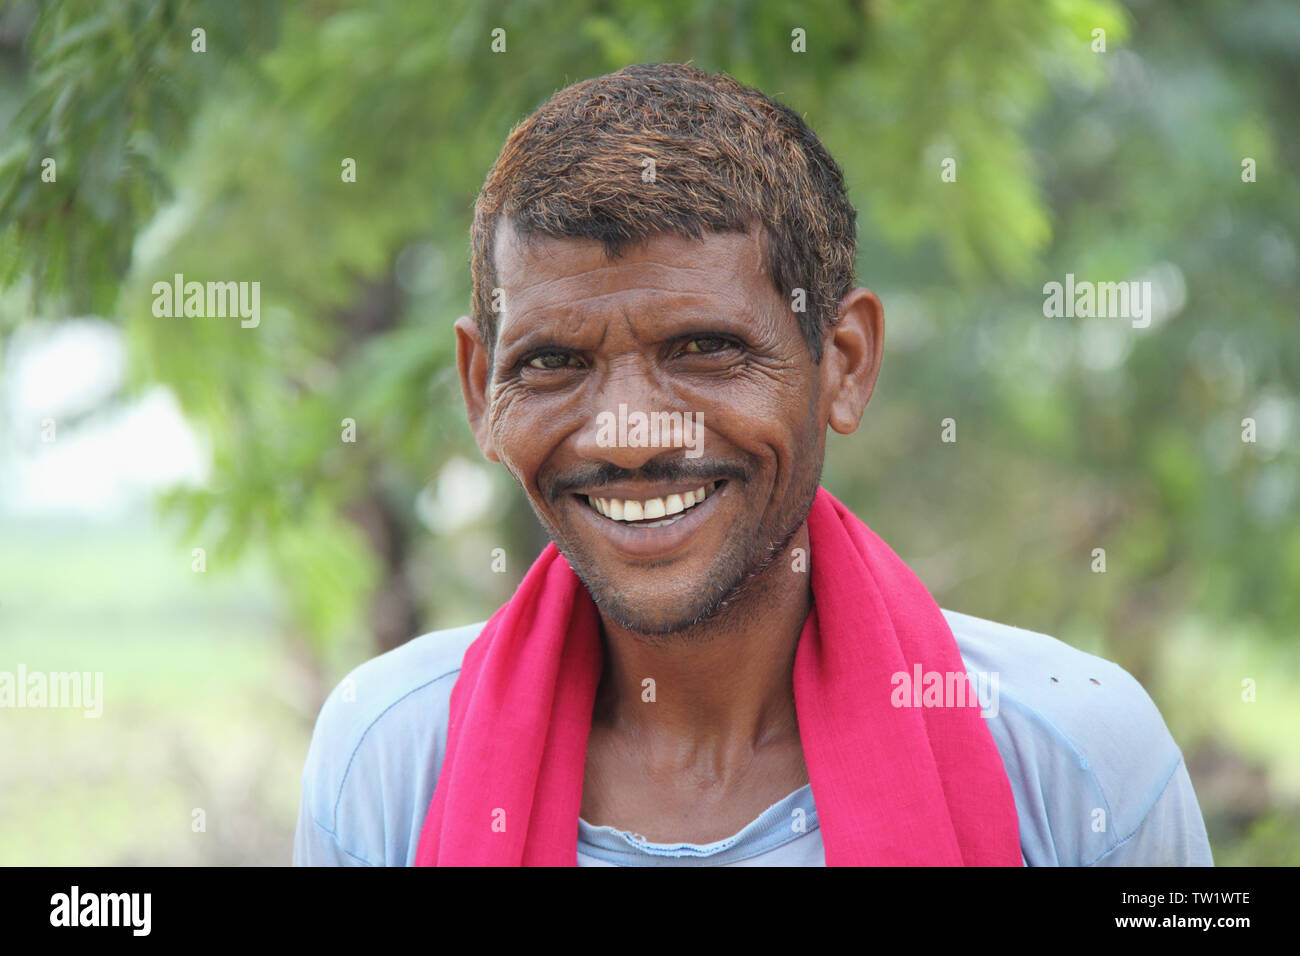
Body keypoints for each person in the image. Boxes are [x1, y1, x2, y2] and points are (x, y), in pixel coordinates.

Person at [293, 63, 1213, 866]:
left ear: (843, 364)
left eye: (703, 349)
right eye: (553, 362)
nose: (628, 436)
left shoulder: (1070, 758)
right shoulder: (392, 760)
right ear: (478, 388)